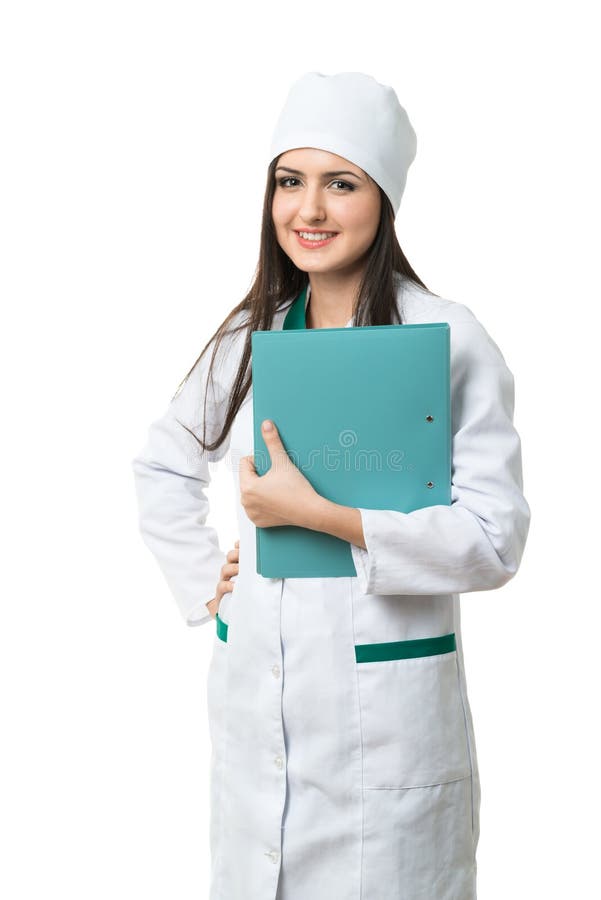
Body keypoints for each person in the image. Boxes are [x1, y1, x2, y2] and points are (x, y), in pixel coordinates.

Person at [131, 71, 531, 900]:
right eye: (289, 182)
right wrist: (210, 583)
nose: (308, 210)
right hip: (258, 712)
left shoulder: (446, 337)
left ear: (383, 198)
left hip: (388, 730)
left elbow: (494, 541)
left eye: (340, 184)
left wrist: (325, 516)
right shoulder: (249, 338)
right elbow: (163, 462)